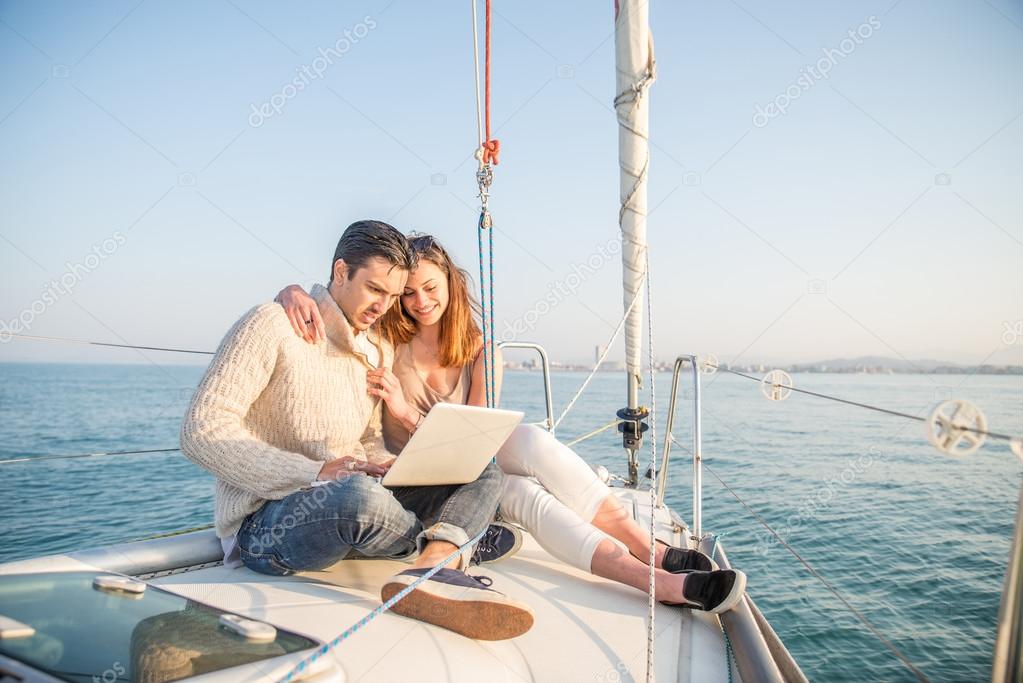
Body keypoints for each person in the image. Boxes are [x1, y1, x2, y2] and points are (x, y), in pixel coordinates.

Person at [277, 233, 747, 613]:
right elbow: (339, 304)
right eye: (409, 293)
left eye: (431, 288)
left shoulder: (482, 351)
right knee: (521, 456)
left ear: (451, 282)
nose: (420, 302)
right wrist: (291, 292)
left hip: (469, 480)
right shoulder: (385, 339)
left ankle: (656, 573)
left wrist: (408, 412)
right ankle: (655, 564)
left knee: (522, 474)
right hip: (416, 485)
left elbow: (472, 445)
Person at [181, 220, 533, 641]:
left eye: (393, 296)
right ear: (341, 271)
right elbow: (201, 431)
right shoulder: (271, 325)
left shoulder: (375, 346)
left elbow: (367, 437)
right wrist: (315, 472)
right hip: (267, 524)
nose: (384, 306)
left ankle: (430, 567)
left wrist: (384, 465)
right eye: (374, 289)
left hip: (352, 501)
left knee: (479, 471)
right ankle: (458, 541)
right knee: (357, 497)